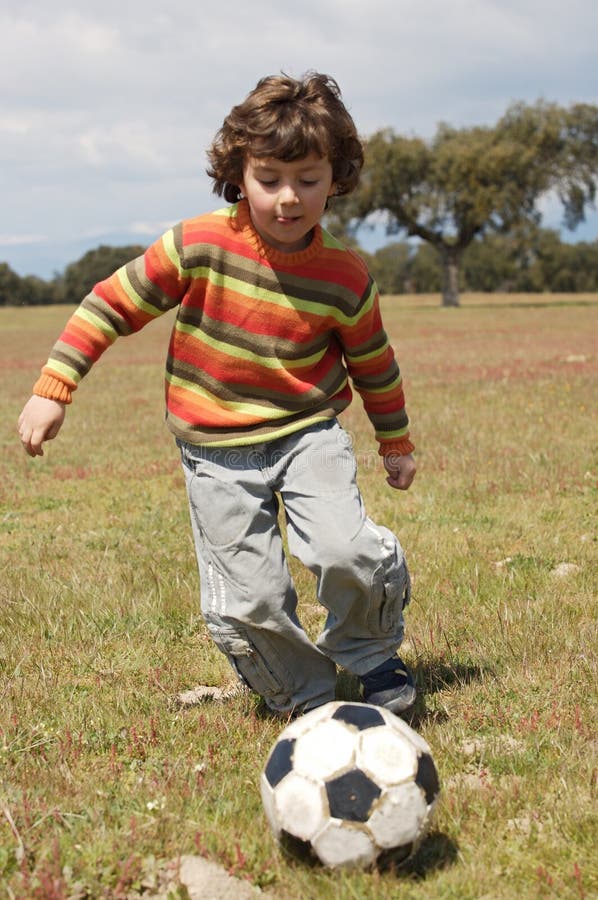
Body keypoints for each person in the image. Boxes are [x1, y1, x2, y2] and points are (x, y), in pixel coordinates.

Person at [17, 72, 418, 717]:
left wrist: (395, 441)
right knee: (251, 599)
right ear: (239, 171)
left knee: (346, 549)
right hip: (216, 453)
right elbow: (111, 305)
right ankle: (308, 698)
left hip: (306, 430)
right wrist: (55, 386)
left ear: (336, 178)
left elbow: (374, 363)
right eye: (269, 180)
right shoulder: (199, 244)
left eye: (308, 180)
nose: (288, 199)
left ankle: (370, 654)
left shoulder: (345, 275)